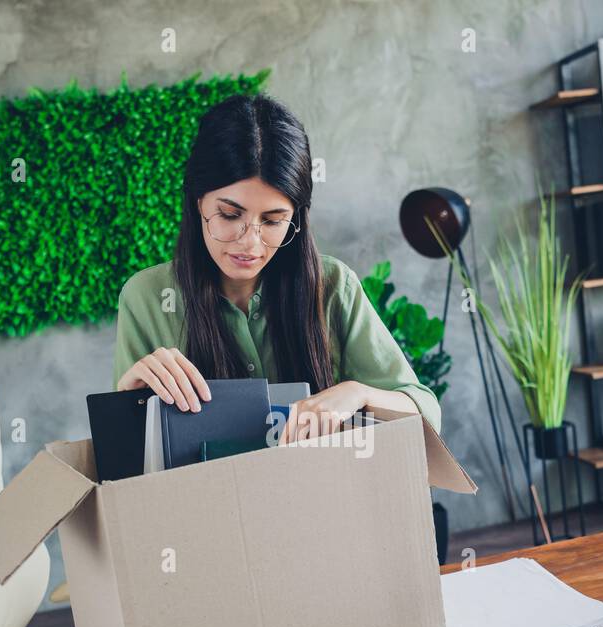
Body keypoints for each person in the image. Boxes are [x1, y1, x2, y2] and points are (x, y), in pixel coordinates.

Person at [112, 93, 441, 442]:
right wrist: (126, 401)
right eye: (229, 215)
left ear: (295, 218)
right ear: (197, 204)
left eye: (272, 220)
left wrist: (358, 394)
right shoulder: (147, 296)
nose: (250, 243)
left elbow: (427, 414)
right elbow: (127, 460)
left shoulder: (333, 286)